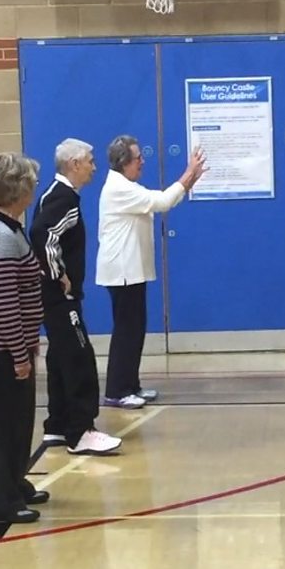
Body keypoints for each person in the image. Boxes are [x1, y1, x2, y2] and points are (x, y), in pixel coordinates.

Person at [96, 135, 205, 409]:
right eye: (137, 157)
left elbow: (164, 200)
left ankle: (130, 385)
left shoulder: (127, 185)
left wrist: (190, 181)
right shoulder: (119, 188)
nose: (142, 161)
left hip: (133, 271)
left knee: (135, 329)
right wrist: (188, 172)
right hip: (122, 271)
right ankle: (116, 391)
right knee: (126, 331)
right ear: (124, 162)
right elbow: (163, 202)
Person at [31, 138, 122, 456]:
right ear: (73, 164)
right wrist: (58, 275)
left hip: (55, 298)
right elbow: (43, 235)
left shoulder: (57, 195)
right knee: (79, 358)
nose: (94, 167)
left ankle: (57, 424)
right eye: (90, 161)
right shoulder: (64, 198)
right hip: (60, 297)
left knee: (59, 357)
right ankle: (81, 430)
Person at [0, 153, 48, 524]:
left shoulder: (10, 227)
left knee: (19, 419)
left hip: (16, 344)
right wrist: (19, 354)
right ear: (18, 189)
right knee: (3, 423)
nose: (34, 187)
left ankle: (14, 482)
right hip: (3, 348)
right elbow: (4, 304)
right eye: (31, 182)